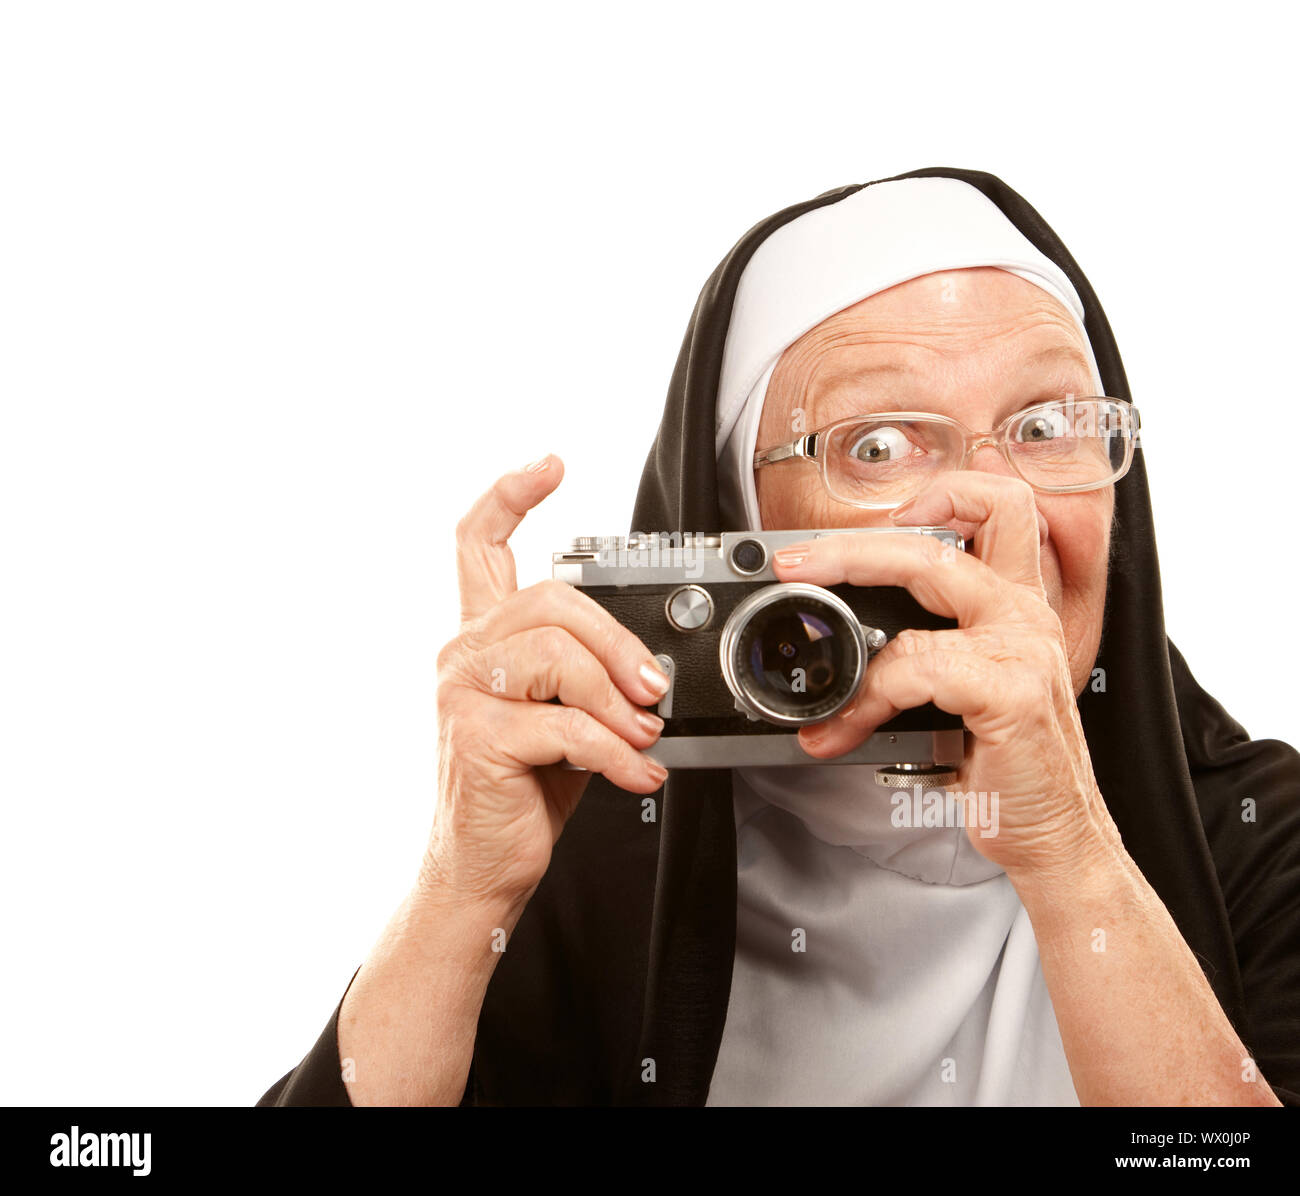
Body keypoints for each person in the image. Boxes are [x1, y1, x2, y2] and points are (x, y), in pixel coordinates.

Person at [258, 167, 1300, 1107]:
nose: (996, 511)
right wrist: (461, 891)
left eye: (1045, 426)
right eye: (879, 444)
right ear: (735, 524)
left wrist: (1070, 852)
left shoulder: (1259, 833)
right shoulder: (604, 838)